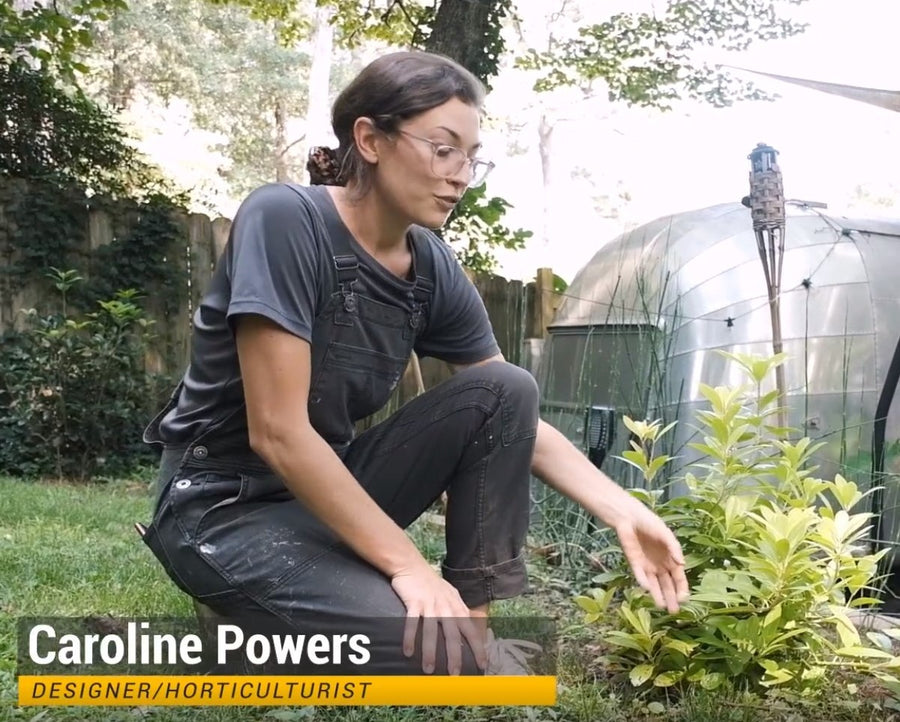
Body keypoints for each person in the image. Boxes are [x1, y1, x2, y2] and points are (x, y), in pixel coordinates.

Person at [140, 50, 689, 676]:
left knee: (504, 387)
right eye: (442, 148)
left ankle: (466, 631)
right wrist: (408, 565)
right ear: (370, 139)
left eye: (471, 157)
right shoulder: (286, 218)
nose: (459, 174)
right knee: (420, 657)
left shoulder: (430, 265)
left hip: (325, 493)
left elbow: (511, 416)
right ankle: (242, 620)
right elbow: (279, 432)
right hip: (221, 504)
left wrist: (627, 511)